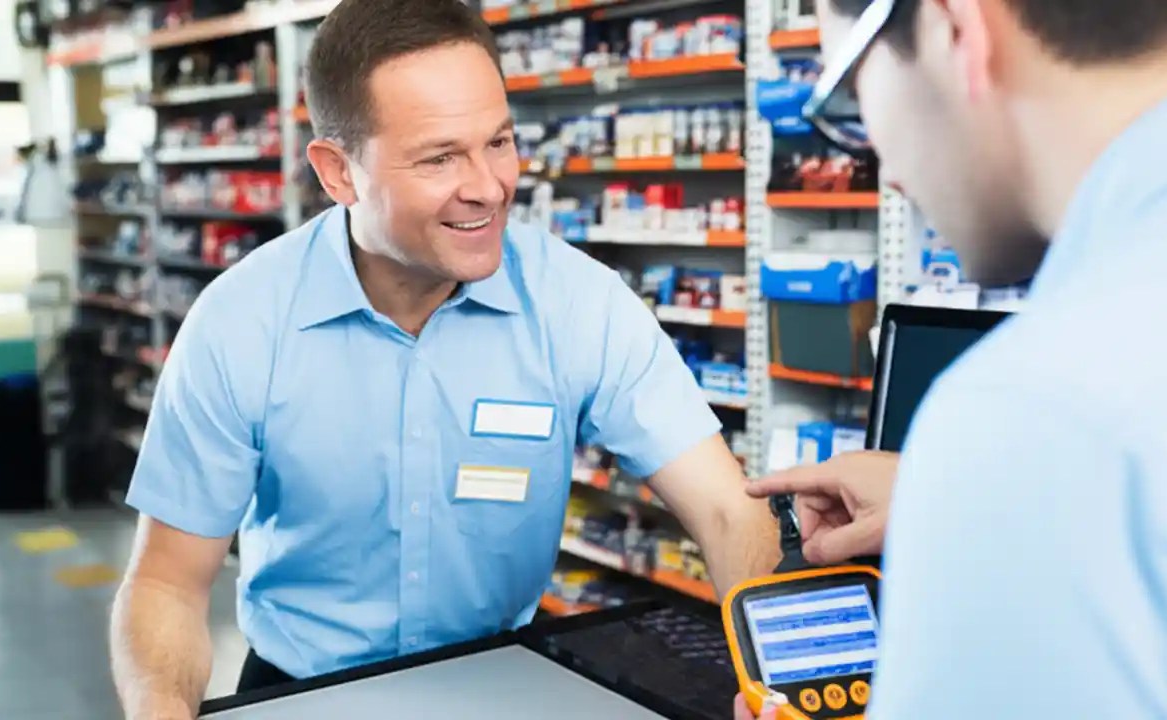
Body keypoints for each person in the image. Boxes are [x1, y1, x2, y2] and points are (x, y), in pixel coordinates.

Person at [108, 1, 781, 717]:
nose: (489, 186)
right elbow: (167, 585)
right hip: (303, 692)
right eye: (439, 157)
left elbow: (727, 510)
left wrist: (776, 674)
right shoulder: (241, 322)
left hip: (506, 679)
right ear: (339, 173)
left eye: (498, 142)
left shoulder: (579, 303)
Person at [738, 0, 1167, 717]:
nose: (885, 173)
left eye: (853, 95)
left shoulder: (1034, 415)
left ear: (956, 31)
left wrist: (986, 490)